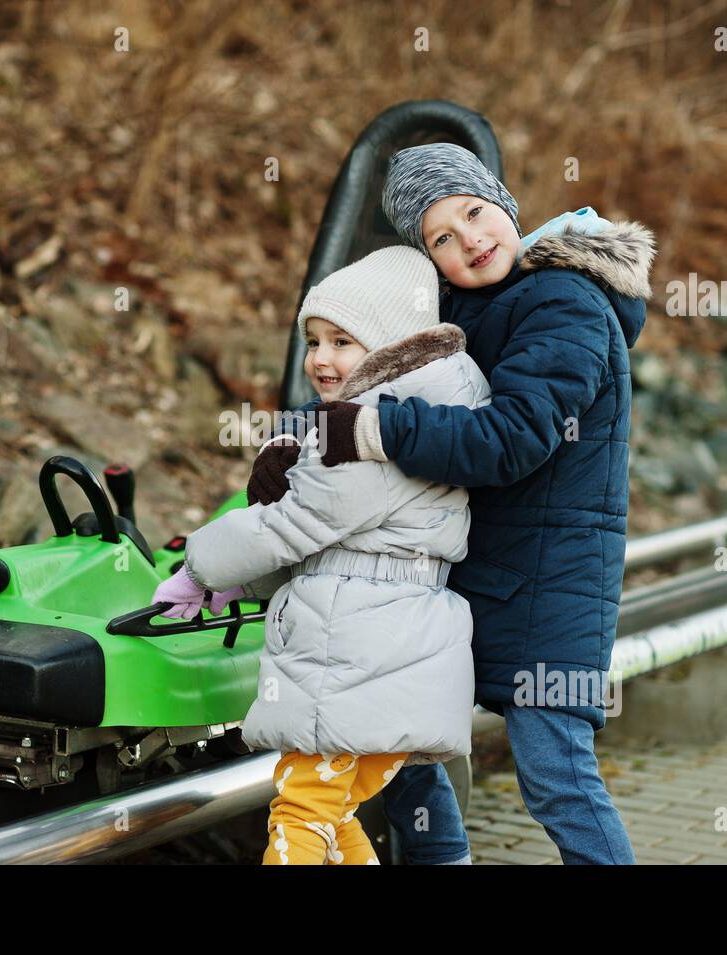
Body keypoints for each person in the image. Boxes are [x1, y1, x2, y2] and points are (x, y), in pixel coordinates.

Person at [249, 142, 655, 865]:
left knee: (554, 770)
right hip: (463, 571)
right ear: (427, 254)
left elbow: (512, 438)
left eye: (473, 212)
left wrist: (374, 431)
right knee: (399, 741)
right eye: (441, 235)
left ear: (503, 204)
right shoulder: (459, 309)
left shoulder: (566, 301)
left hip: (550, 576)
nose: (468, 239)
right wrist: (301, 442)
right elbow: (372, 384)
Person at [152, 245, 491, 865]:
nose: (320, 359)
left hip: (356, 646)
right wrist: (238, 585)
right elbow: (327, 544)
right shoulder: (419, 415)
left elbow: (296, 523)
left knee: (301, 811)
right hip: (380, 640)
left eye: (342, 341)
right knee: (329, 811)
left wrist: (199, 570)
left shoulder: (368, 431)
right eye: (313, 341)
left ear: (388, 343)